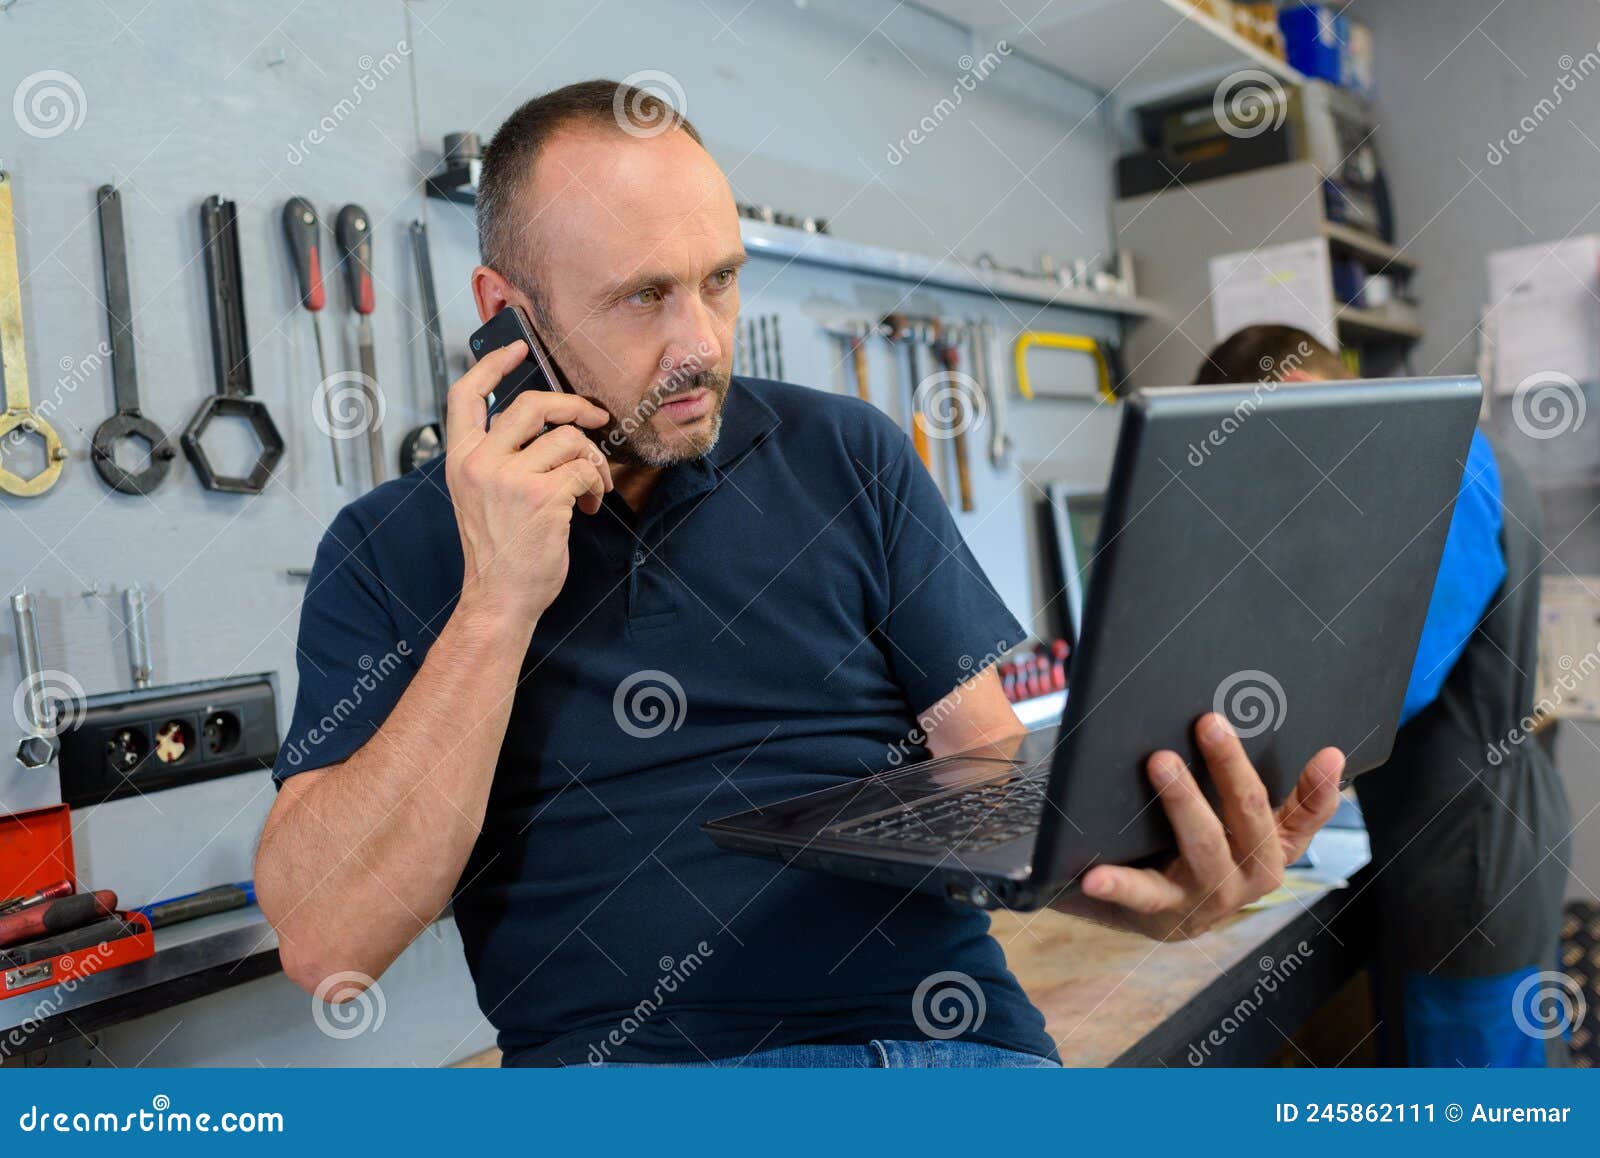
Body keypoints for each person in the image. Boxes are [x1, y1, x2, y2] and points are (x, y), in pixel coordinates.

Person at [252, 80, 1343, 1069]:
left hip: (951, 1056)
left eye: (719, 282)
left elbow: (995, 801)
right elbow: (325, 938)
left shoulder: (847, 453)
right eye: (642, 297)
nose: (699, 346)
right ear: (508, 309)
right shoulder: (390, 548)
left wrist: (1149, 892)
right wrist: (496, 602)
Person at [1194, 324, 1574, 1066]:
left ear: (1299, 397)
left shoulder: (1444, 469)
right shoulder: (1440, 457)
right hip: (1452, 836)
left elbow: (1386, 686)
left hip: (1467, 862)